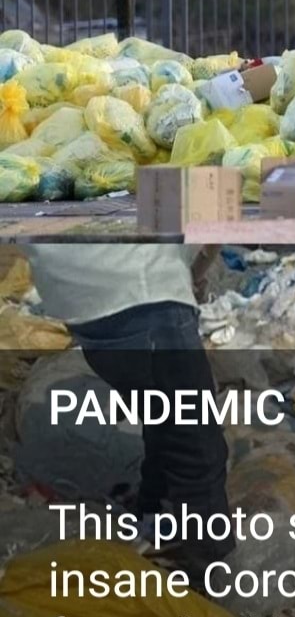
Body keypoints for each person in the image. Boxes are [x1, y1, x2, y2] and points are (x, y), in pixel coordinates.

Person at [25, 245, 232, 577]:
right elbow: (212, 213)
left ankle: (153, 517)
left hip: (81, 301)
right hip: (138, 294)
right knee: (198, 451)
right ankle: (211, 580)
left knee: (163, 417)